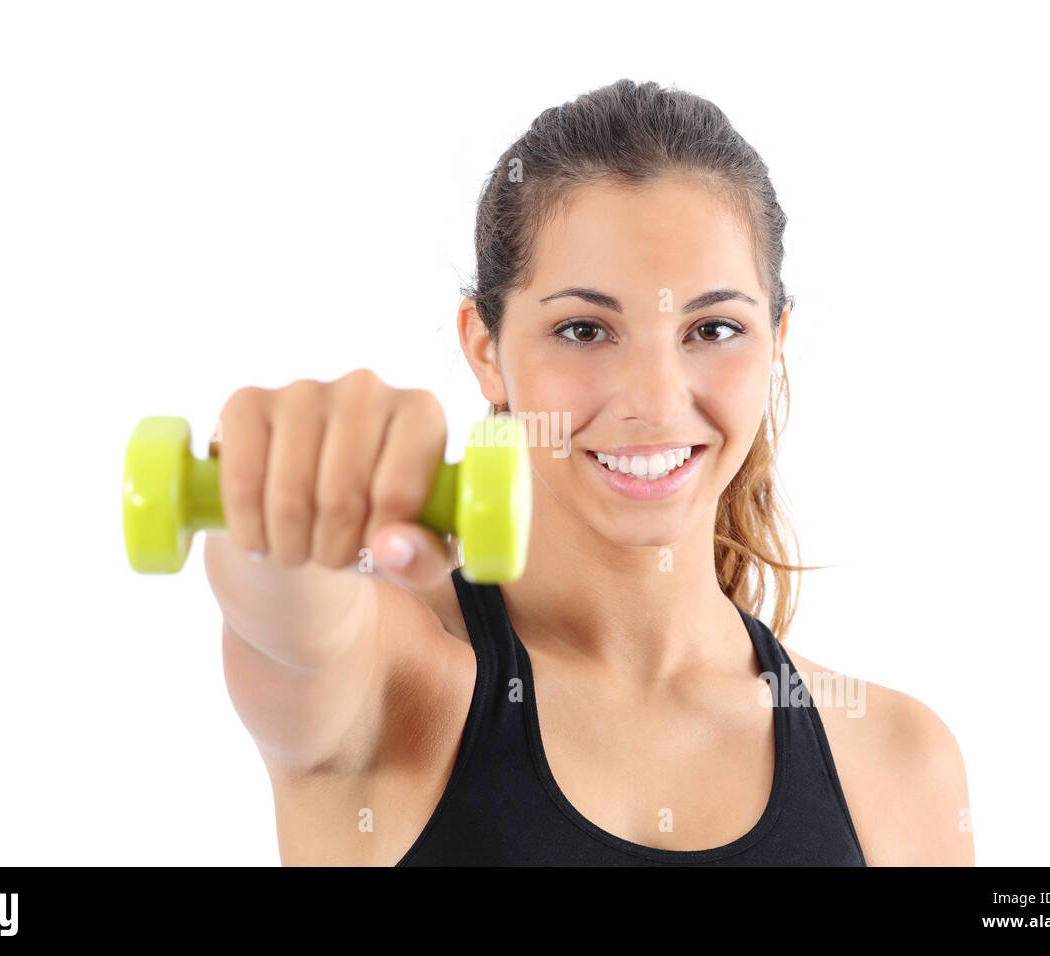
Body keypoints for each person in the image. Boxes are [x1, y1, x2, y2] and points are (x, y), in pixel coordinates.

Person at [205, 79, 973, 866]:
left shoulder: (899, 763)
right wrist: (276, 507)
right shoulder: (389, 684)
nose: (654, 400)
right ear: (484, 348)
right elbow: (285, 619)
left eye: (713, 328)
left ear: (775, 341)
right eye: (583, 329)